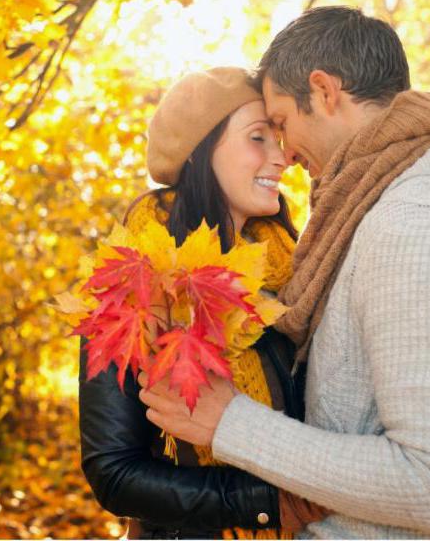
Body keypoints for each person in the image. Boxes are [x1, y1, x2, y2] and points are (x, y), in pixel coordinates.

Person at [138, 6, 430, 538]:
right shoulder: (400, 208)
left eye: (281, 124)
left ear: (325, 91)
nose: (286, 154)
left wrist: (231, 423)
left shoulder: (417, 229)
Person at [79, 67, 327, 539]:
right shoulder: (137, 288)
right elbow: (114, 473)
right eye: (258, 138)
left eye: (278, 137)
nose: (281, 157)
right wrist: (266, 502)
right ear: (199, 153)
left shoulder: (294, 275)